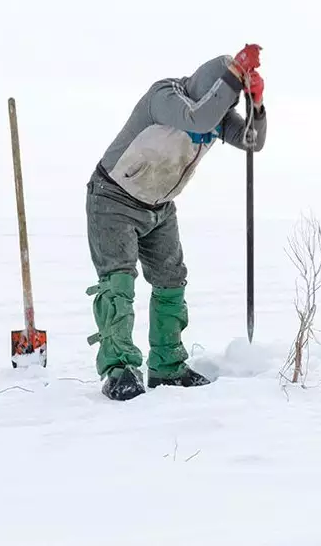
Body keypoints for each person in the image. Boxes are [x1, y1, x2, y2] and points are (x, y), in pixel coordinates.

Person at [84, 44, 267, 401]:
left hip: (160, 205)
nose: (222, 113)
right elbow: (197, 118)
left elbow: (252, 141)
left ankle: (167, 367)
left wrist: (256, 105)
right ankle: (119, 369)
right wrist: (234, 75)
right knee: (118, 283)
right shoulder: (166, 96)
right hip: (113, 198)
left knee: (171, 282)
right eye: (224, 95)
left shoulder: (218, 117)